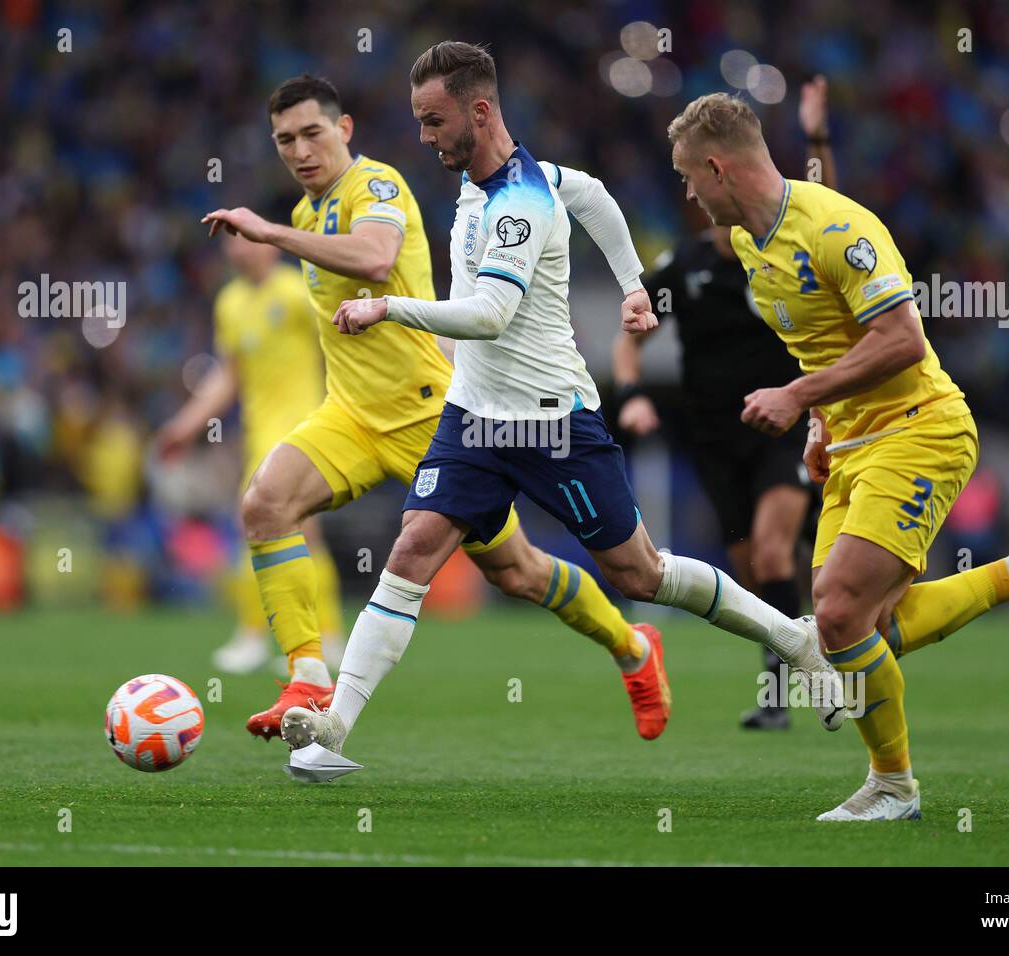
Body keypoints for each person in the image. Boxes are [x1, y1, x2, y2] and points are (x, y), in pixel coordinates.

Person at [280, 42, 848, 780]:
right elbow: (594, 195)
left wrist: (388, 306)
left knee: (641, 575)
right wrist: (634, 283)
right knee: (413, 547)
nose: (423, 138)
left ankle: (795, 639)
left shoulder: (520, 202)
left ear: (478, 114)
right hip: (473, 421)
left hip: (553, 423)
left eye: (433, 121)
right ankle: (333, 730)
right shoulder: (508, 180)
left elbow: (488, 314)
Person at [666, 91, 1009, 820]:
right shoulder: (753, 244)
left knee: (838, 615)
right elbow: (825, 339)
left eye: (690, 177)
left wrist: (795, 394)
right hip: (850, 442)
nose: (687, 193)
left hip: (921, 427)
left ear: (718, 168)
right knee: (862, 629)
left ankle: (894, 787)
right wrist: (819, 419)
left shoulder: (839, 227)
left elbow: (904, 340)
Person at [201, 74, 673, 744]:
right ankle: (306, 676)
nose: (300, 150)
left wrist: (269, 234)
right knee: (264, 506)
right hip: (352, 415)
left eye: (312, 132)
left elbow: (375, 256)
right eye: (285, 140)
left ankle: (631, 646)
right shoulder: (309, 214)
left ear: (344, 130)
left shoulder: (377, 187)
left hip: (430, 415)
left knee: (519, 571)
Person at [614, 76, 837, 730]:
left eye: (693, 179)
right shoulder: (683, 266)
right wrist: (630, 394)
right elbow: (629, 332)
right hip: (716, 436)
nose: (690, 194)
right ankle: (790, 673)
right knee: (750, 571)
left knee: (770, 555)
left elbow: (827, 202)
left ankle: (794, 688)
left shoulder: (773, 244)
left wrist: (818, 133)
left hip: (783, 426)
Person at [154, 232, 343, 676]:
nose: (240, 249)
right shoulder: (230, 303)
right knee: (282, 529)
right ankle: (305, 635)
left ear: (270, 244)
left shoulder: (297, 294)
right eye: (231, 243)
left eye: (248, 240)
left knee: (284, 527)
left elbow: (338, 350)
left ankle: (273, 636)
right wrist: (185, 426)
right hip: (261, 435)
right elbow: (228, 376)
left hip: (304, 430)